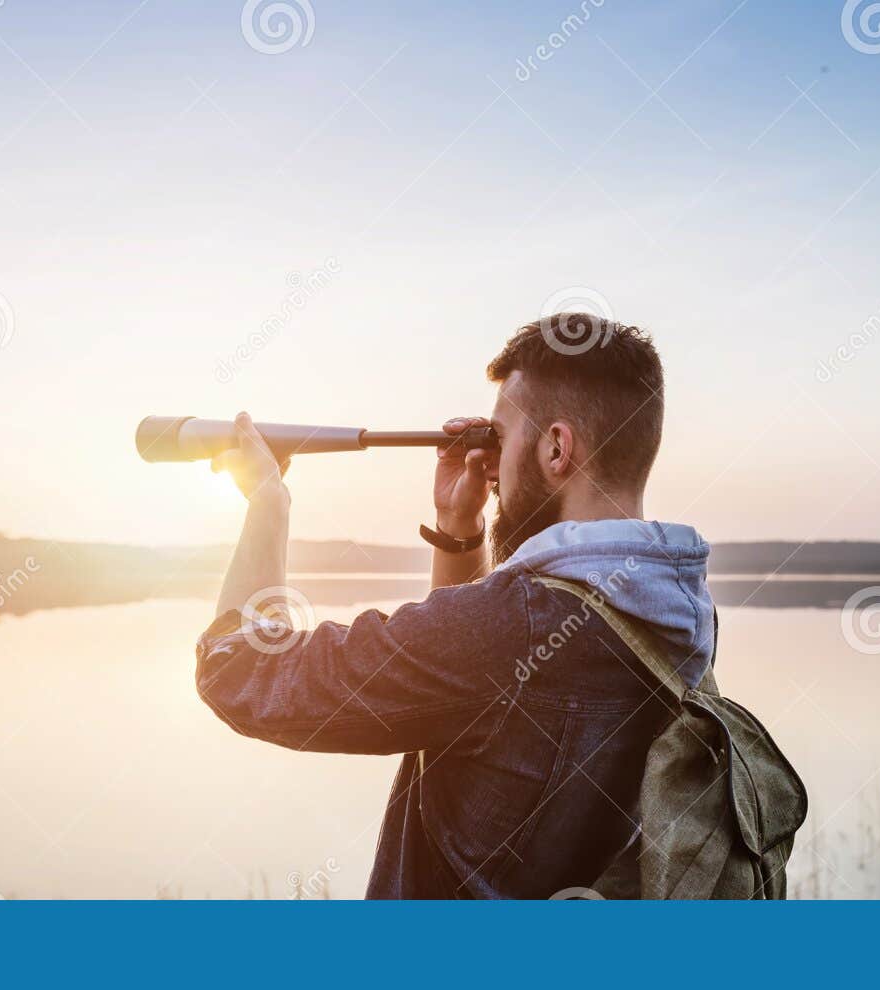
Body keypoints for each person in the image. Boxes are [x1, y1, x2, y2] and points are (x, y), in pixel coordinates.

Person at [196, 314, 715, 898]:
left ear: (556, 447)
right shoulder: (677, 611)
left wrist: (268, 502)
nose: (489, 462)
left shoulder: (512, 628)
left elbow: (241, 672)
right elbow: (474, 697)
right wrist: (459, 529)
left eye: (500, 435)